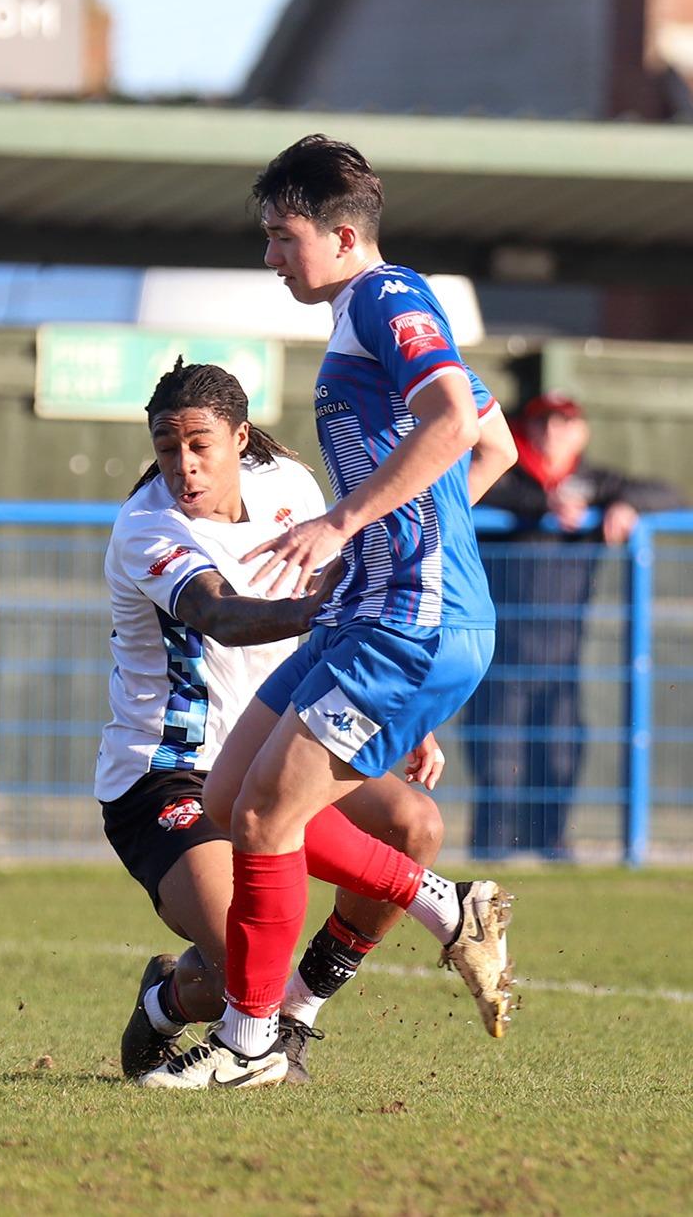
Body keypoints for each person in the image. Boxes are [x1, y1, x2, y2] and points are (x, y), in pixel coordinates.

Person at [142, 135, 519, 1089]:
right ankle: (443, 908)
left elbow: (451, 418)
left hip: (409, 626)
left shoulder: (389, 299)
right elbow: (494, 447)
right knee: (230, 804)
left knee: (268, 814)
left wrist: (350, 521)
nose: (271, 256)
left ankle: (250, 1043)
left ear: (343, 235)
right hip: (375, 614)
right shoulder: (363, 309)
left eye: (283, 236)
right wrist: (404, 537)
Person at [105, 359, 467, 1086]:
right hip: (167, 774)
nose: (183, 466)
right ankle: (167, 1001)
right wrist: (316, 610)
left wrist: (388, 703)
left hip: (276, 743)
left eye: (200, 445)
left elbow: (341, 604)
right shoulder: (147, 528)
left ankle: (292, 1021)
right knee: (244, 960)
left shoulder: (293, 489)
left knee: (414, 826)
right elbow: (216, 613)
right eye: (167, 447)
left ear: (239, 438)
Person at [466, 392, 681, 860]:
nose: (554, 433)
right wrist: (543, 502)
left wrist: (624, 507)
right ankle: (491, 857)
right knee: (498, 763)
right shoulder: (504, 474)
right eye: (544, 423)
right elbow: (464, 490)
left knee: (560, 757)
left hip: (562, 659)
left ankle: (551, 851)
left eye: (565, 424)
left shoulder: (596, 483)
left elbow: (668, 495)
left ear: (581, 433)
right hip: (498, 655)